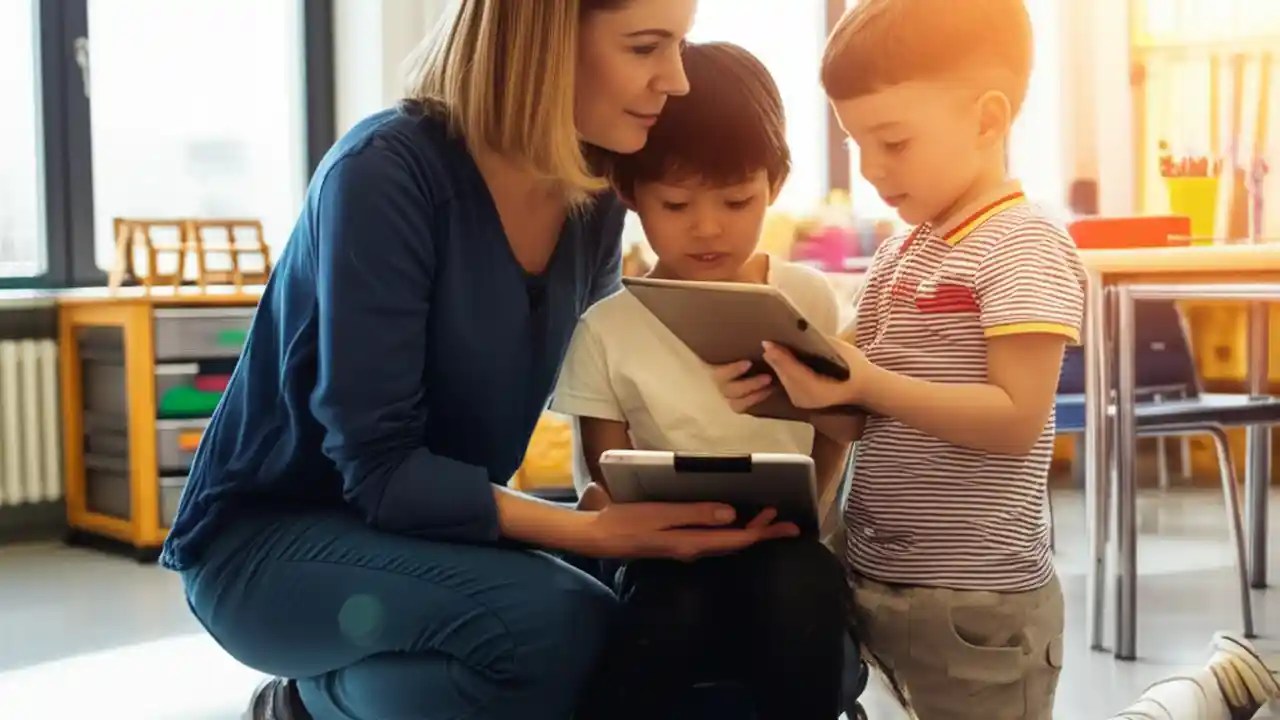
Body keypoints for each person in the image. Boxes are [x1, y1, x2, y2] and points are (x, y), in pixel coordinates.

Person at [158, 2, 802, 719]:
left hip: (440, 533)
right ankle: (306, 705)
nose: (676, 80)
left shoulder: (593, 195)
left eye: (678, 45)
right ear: (545, 38)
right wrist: (592, 533)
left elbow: (604, 384)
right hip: (273, 545)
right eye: (647, 47)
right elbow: (380, 470)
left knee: (684, 627)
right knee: (558, 626)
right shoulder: (385, 175)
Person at [714, 1, 1085, 718]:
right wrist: (789, 389)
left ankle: (1201, 694)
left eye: (894, 141)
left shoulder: (1025, 245)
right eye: (857, 145)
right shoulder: (900, 253)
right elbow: (858, 418)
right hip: (874, 576)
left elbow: (1016, 420)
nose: (874, 169)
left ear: (987, 120)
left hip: (976, 602)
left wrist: (872, 383)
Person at [550, 41, 855, 720]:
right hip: (660, 550)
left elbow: (837, 429)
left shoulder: (807, 298)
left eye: (737, 200)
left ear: (774, 185)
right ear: (630, 195)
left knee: (801, 585)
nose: (709, 227)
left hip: (784, 542)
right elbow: (603, 471)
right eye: (678, 205)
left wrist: (815, 508)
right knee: (670, 608)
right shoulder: (608, 326)